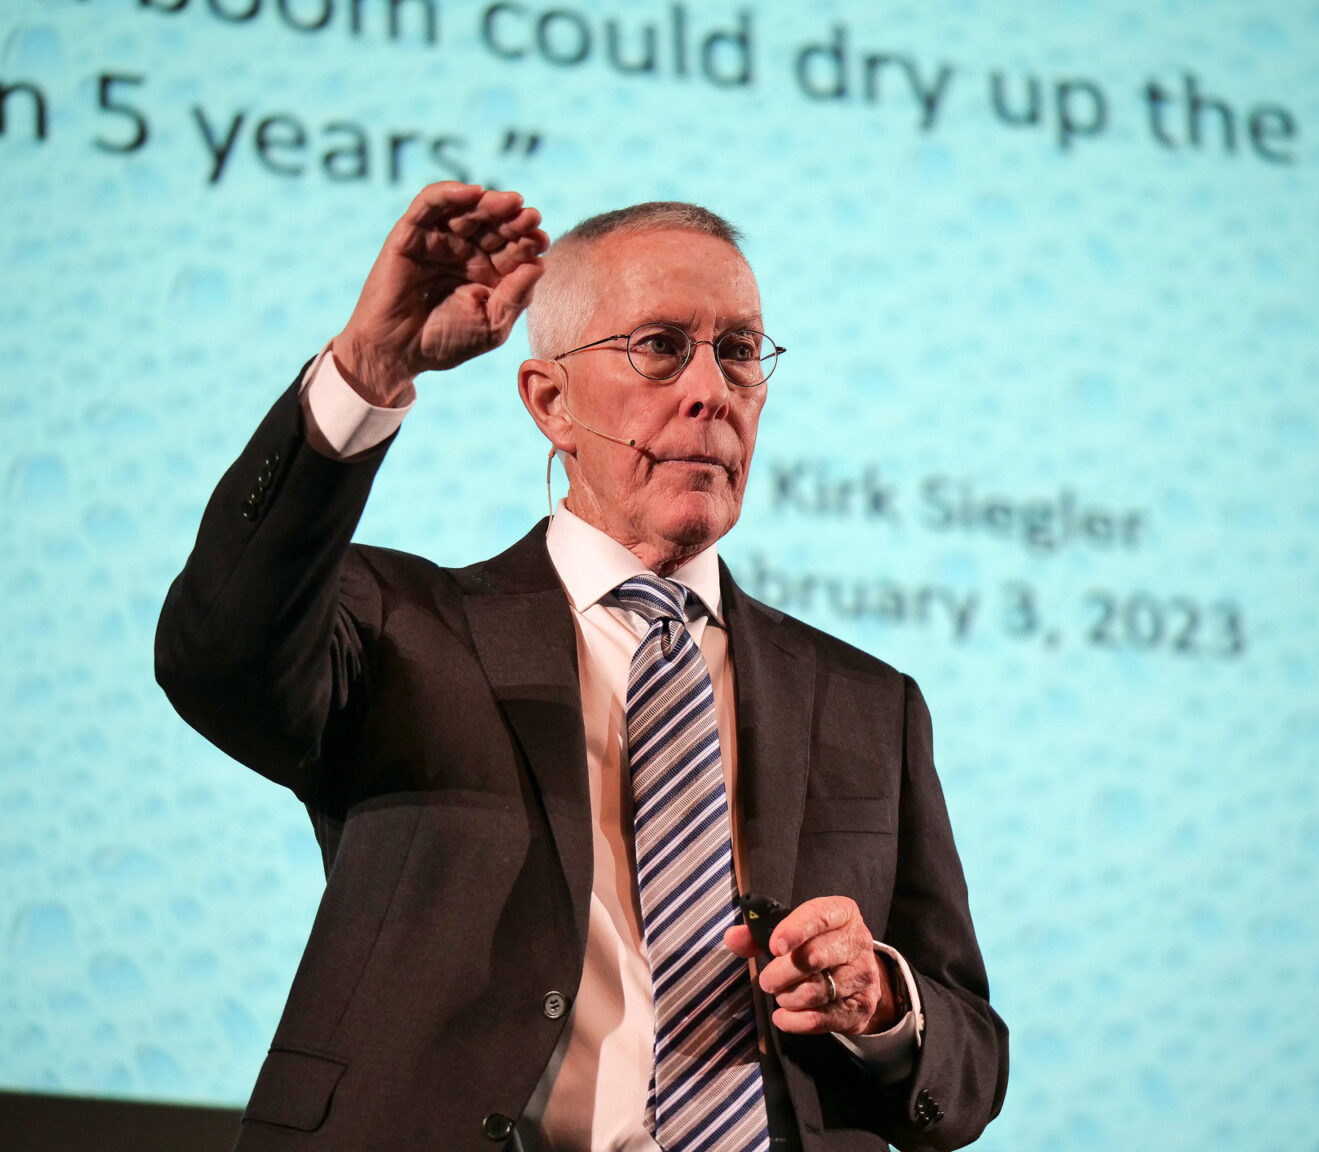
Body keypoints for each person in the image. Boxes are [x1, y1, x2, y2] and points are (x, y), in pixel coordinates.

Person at [155, 182, 1007, 1152]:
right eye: (659, 347)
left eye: (738, 351)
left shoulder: (868, 703)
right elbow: (215, 649)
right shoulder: (401, 630)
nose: (710, 390)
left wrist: (885, 1001)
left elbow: (972, 1064)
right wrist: (370, 363)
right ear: (549, 402)